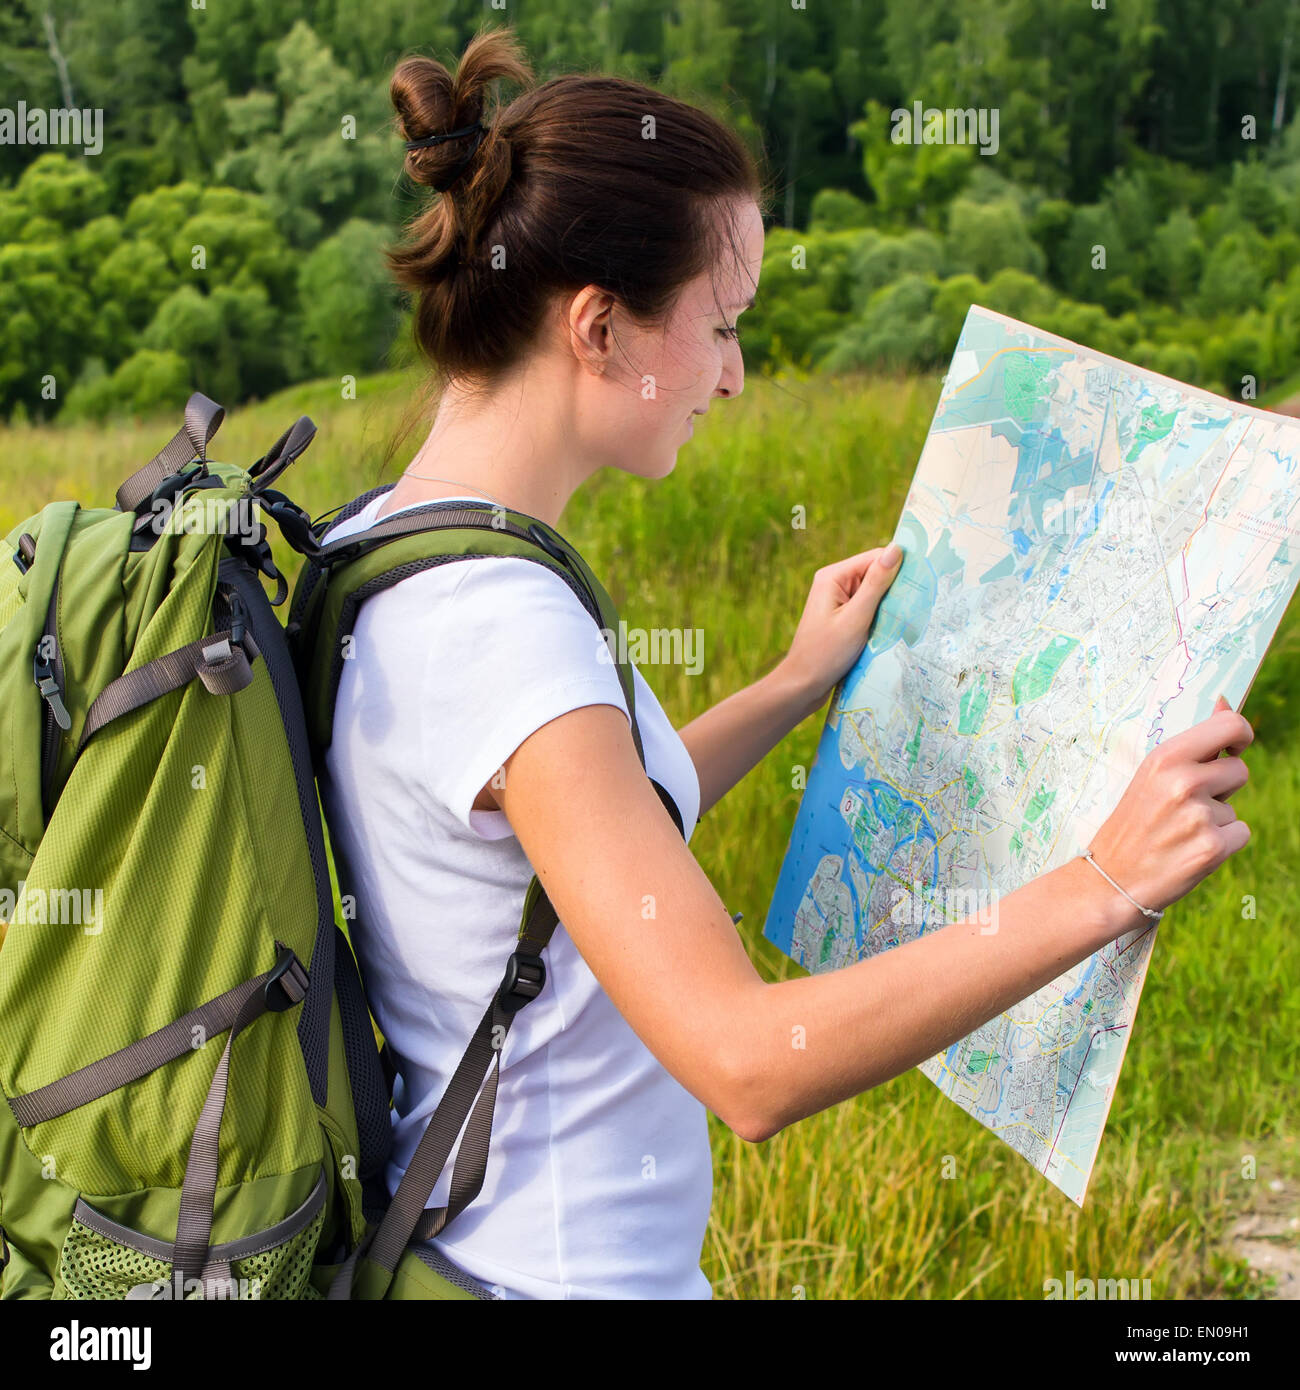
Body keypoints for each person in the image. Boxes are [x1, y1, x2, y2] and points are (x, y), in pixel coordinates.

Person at [318, 27, 1255, 1301]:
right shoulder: (503, 635)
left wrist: (790, 685)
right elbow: (749, 1063)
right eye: (719, 325)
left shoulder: (386, 545)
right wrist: (1100, 882)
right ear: (599, 328)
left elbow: (579, 838)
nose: (736, 376)